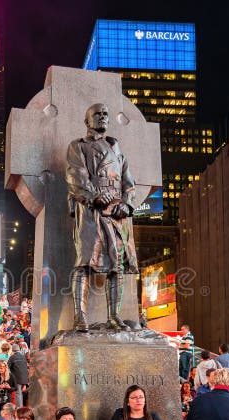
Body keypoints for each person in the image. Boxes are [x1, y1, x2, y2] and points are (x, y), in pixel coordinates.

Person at [66, 103, 138, 332]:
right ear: (87, 121)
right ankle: (80, 317)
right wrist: (93, 196)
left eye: (106, 114)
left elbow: (129, 183)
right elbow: (75, 176)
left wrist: (126, 204)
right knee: (85, 262)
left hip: (117, 214)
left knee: (118, 265)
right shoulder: (78, 146)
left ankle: (115, 317)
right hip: (91, 211)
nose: (103, 117)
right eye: (97, 114)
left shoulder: (117, 149)